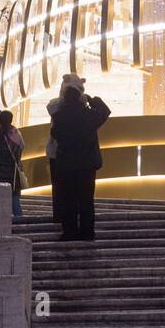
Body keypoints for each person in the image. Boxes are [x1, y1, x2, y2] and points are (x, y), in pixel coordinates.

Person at [50, 85, 111, 241]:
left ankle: (69, 232)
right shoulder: (89, 115)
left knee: (68, 199)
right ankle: (87, 232)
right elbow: (105, 111)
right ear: (80, 98)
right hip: (87, 165)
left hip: (66, 165)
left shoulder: (59, 117)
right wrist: (92, 100)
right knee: (86, 200)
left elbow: (55, 133)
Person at [46, 74, 85, 222]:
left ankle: (69, 216)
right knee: (59, 186)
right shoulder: (56, 105)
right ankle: (60, 215)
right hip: (57, 153)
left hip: (72, 154)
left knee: (72, 188)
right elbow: (52, 107)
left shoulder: (80, 107)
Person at [0, 110, 26, 219]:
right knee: (14, 198)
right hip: (13, 174)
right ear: (11, 120)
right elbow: (21, 150)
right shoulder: (16, 134)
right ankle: (20, 220)